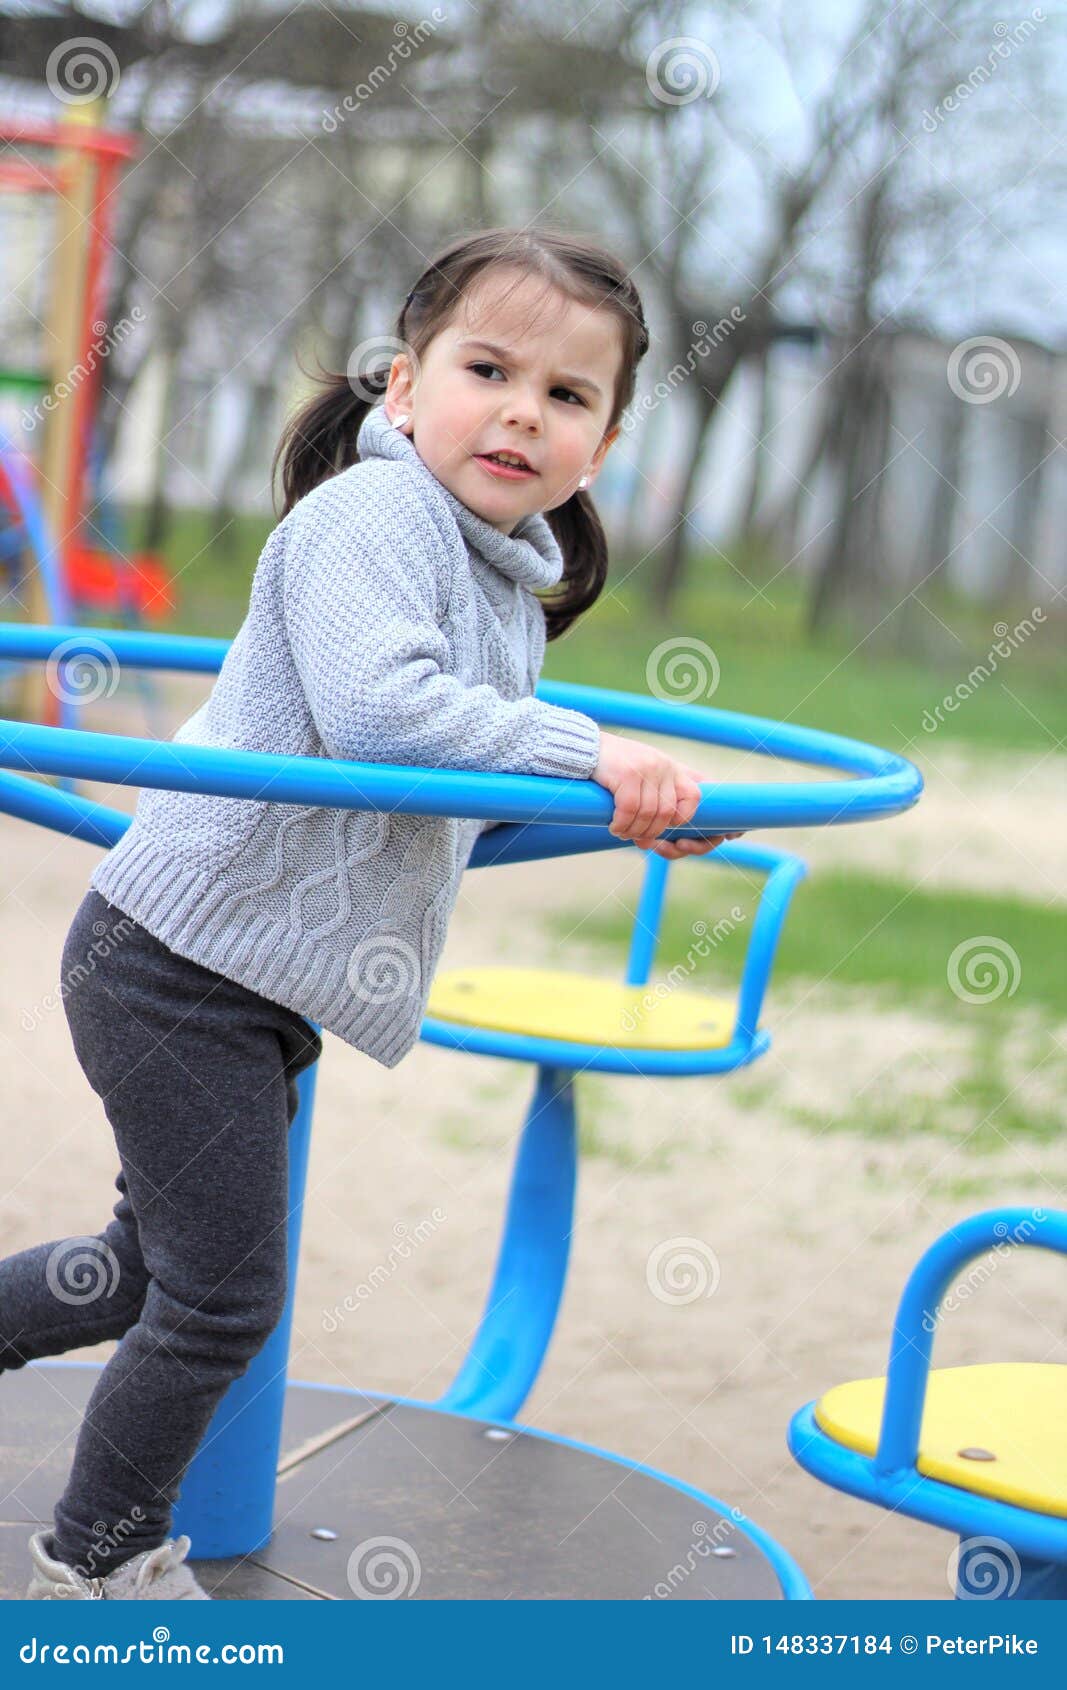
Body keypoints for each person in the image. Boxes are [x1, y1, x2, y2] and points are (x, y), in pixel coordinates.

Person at [3, 225, 741, 1600]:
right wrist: (592, 755)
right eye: (488, 369)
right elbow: (385, 715)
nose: (523, 410)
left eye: (569, 396)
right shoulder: (370, 517)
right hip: (177, 963)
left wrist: (631, 808)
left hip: (245, 974)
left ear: (606, 440)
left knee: (138, 1268)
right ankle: (91, 1566)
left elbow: (456, 785)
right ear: (402, 388)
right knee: (220, 1296)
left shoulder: (505, 577)